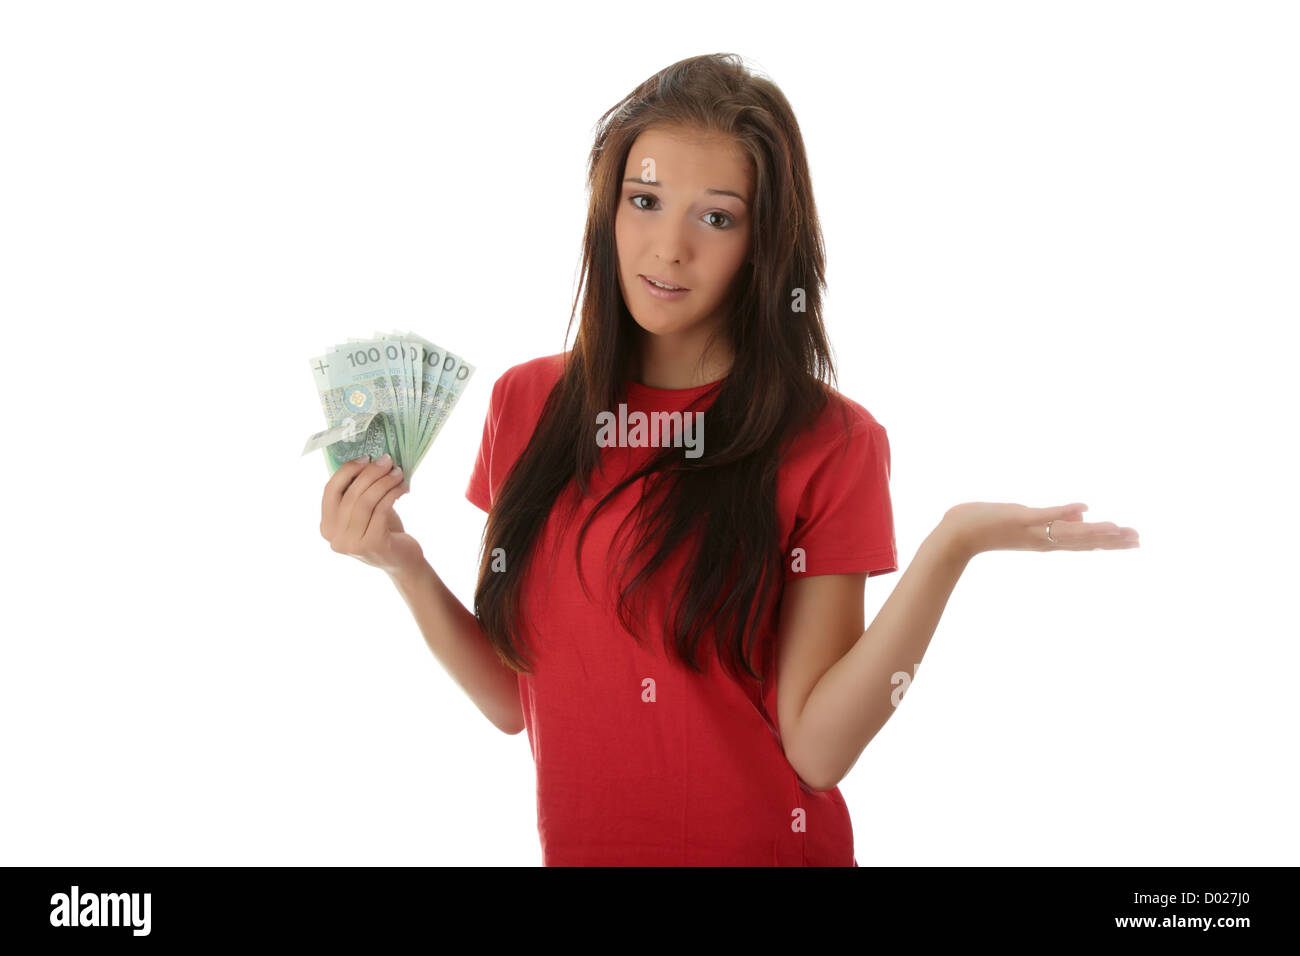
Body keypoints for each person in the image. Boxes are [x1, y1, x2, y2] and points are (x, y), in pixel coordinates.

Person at [318, 53, 1140, 866]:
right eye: (645, 201)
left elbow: (816, 751)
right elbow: (516, 697)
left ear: (763, 243)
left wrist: (952, 544)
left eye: (716, 217)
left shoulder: (831, 443)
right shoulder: (527, 404)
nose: (669, 247)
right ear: (608, 211)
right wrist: (403, 563)